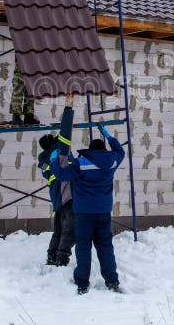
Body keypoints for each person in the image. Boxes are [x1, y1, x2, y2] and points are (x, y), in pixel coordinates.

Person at [50, 118, 125, 294]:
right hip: (104, 212)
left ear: (90, 150)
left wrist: (54, 159)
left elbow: (61, 175)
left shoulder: (81, 163)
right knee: (105, 245)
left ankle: (83, 283)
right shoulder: (113, 162)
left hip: (83, 213)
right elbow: (120, 150)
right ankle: (112, 281)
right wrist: (108, 135)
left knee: (83, 246)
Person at [38, 133, 74, 266]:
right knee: (69, 229)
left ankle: (52, 255)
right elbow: (64, 150)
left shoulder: (44, 159)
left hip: (57, 197)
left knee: (59, 229)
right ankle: (62, 257)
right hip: (66, 195)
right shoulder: (56, 154)